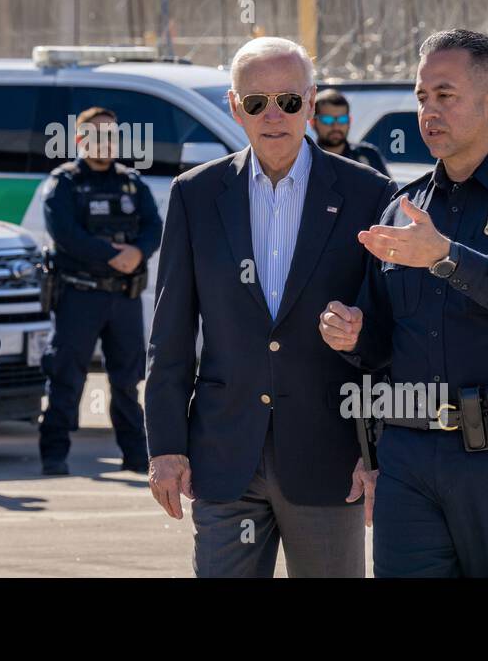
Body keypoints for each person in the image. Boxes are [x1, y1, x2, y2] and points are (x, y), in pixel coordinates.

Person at [320, 29, 488, 578]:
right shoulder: (405, 206)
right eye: (422, 97)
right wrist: (352, 334)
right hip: (410, 460)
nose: (429, 111)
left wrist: (445, 256)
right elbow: (382, 343)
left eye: (446, 95)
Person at [146, 37, 394, 578]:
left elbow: (393, 334)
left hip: (331, 458)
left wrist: (376, 453)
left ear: (310, 102)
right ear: (235, 107)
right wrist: (165, 446)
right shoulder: (195, 194)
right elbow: (170, 332)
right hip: (224, 455)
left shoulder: (368, 193)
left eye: (287, 100)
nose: (273, 114)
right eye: (256, 102)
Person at [39, 106, 162, 476]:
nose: (105, 143)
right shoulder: (65, 182)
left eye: (111, 135)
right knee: (66, 377)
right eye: (96, 136)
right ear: (80, 140)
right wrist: (113, 256)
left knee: (128, 381)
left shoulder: (131, 183)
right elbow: (66, 236)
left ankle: (136, 456)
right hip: (79, 295)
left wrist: (139, 253)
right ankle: (54, 456)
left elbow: (153, 227)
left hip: (122, 297)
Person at [310, 88, 391, 177]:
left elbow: (390, 190)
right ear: (313, 123)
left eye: (342, 119)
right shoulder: (305, 159)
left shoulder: (369, 157)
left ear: (349, 121)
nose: (336, 126)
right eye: (327, 120)